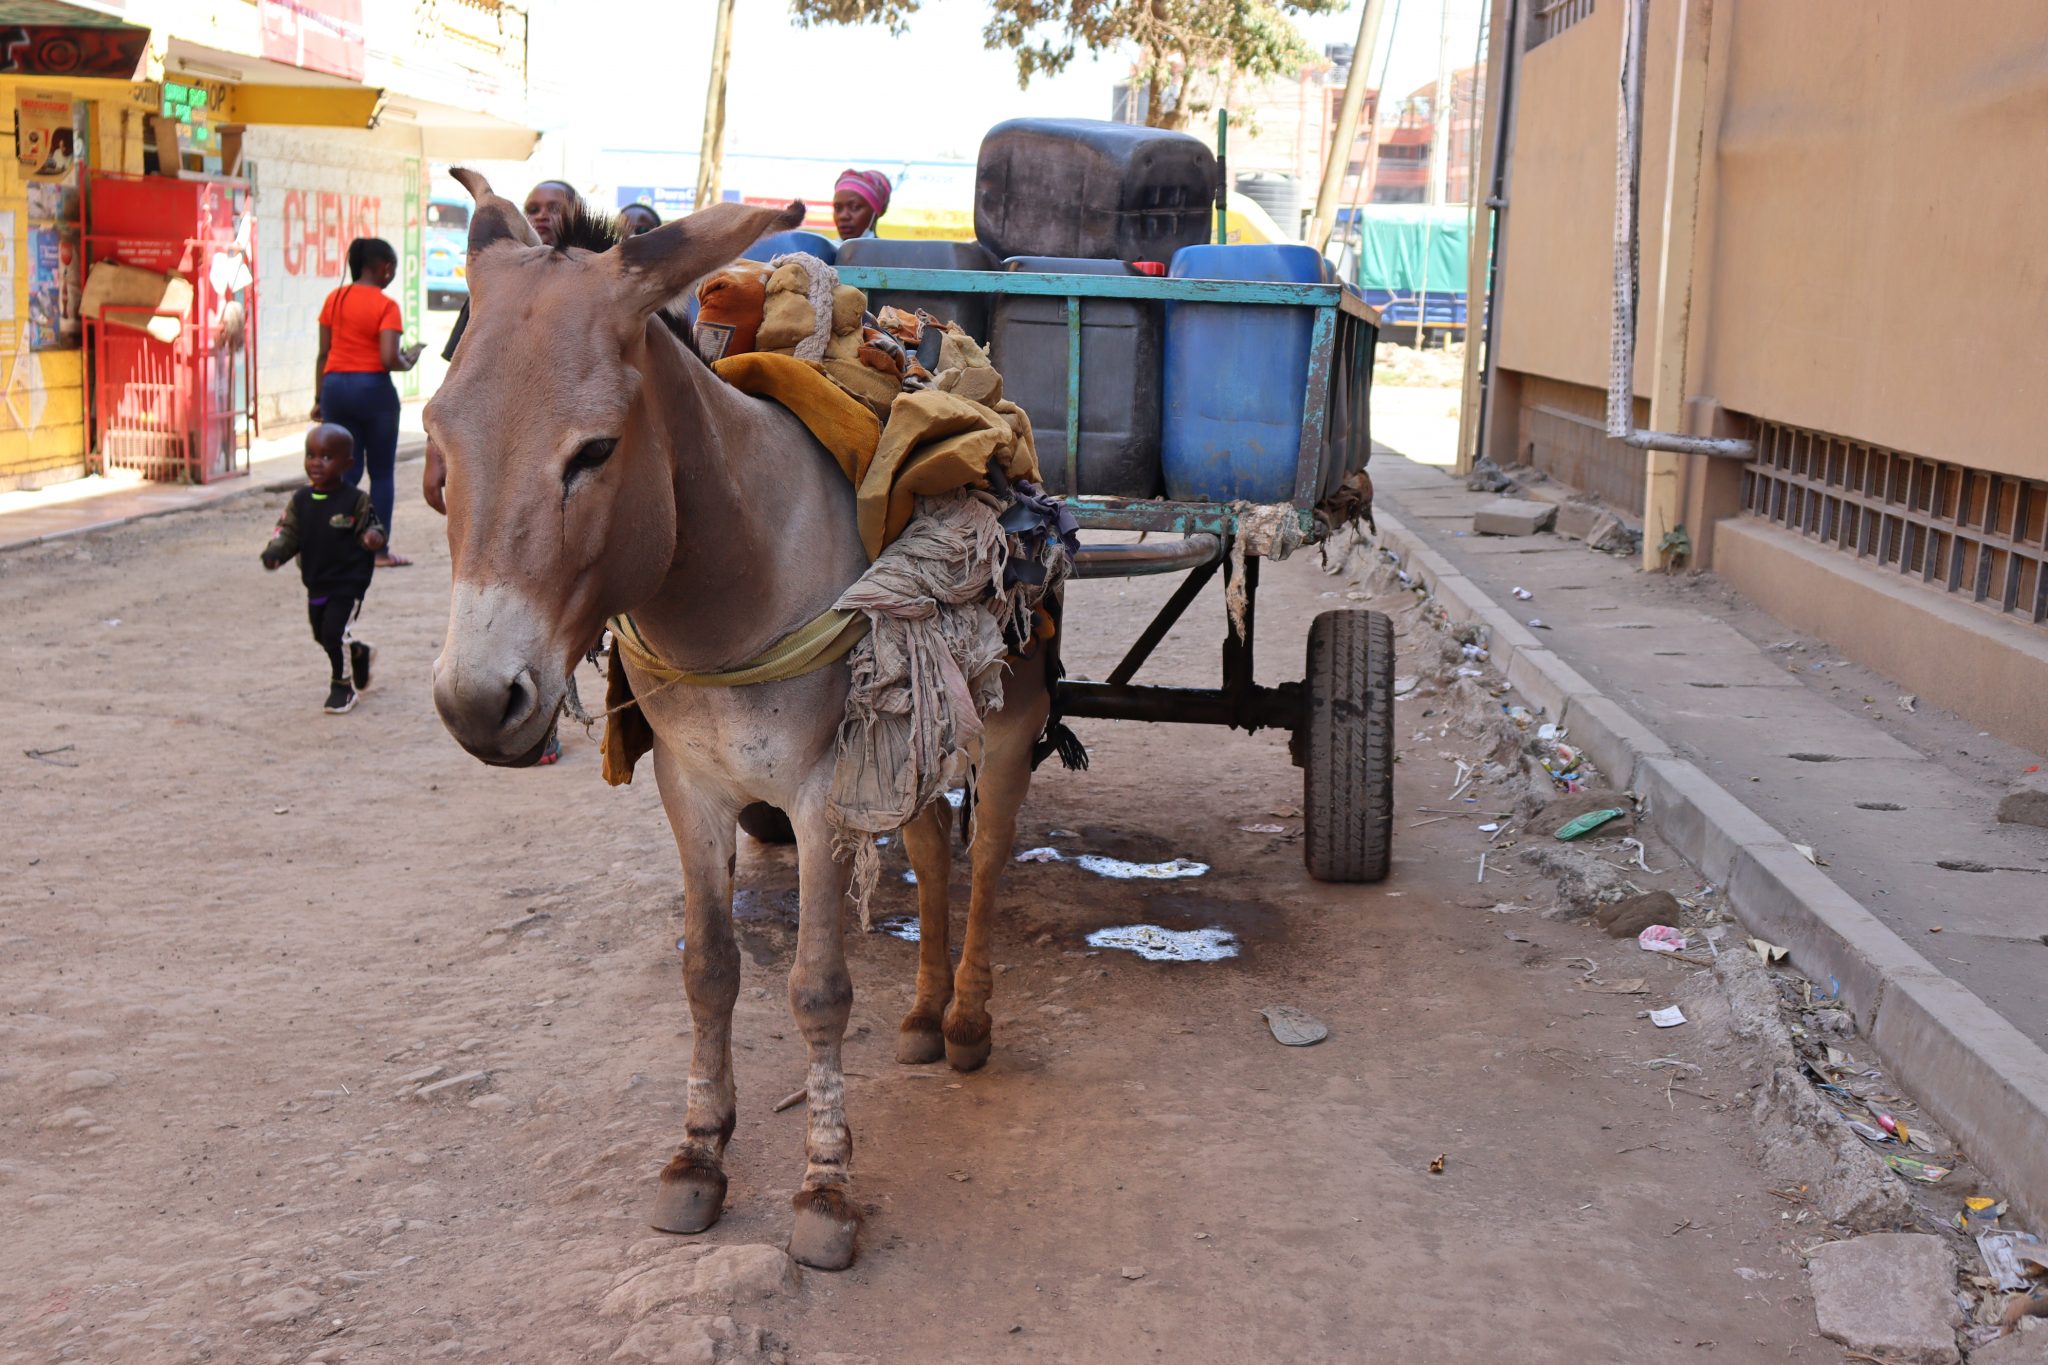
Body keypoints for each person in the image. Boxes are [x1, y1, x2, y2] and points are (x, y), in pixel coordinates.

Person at [262, 424, 385, 715]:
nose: (316, 462)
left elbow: (373, 526)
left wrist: (372, 538)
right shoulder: (301, 500)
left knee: (333, 632)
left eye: (327, 457)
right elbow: (287, 532)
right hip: (316, 581)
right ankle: (358, 652)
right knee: (322, 634)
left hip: (348, 582)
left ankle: (342, 688)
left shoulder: (355, 500)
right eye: (311, 455)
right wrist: (275, 553)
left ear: (347, 464)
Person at [313, 237, 421, 568]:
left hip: (335, 388)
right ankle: (378, 551)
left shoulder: (335, 298)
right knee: (381, 473)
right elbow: (388, 358)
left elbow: (323, 354)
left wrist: (319, 398)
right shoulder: (386, 306)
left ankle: (335, 546)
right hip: (373, 391)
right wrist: (409, 360)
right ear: (386, 268)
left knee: (344, 470)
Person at [439, 179, 583, 362]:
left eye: (554, 208)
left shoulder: (593, 282)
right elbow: (460, 363)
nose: (541, 216)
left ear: (578, 215)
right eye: (532, 210)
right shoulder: (496, 283)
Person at [833, 169, 891, 240]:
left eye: (854, 207)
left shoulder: (890, 251)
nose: (843, 216)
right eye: (837, 208)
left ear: (875, 213)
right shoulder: (822, 250)